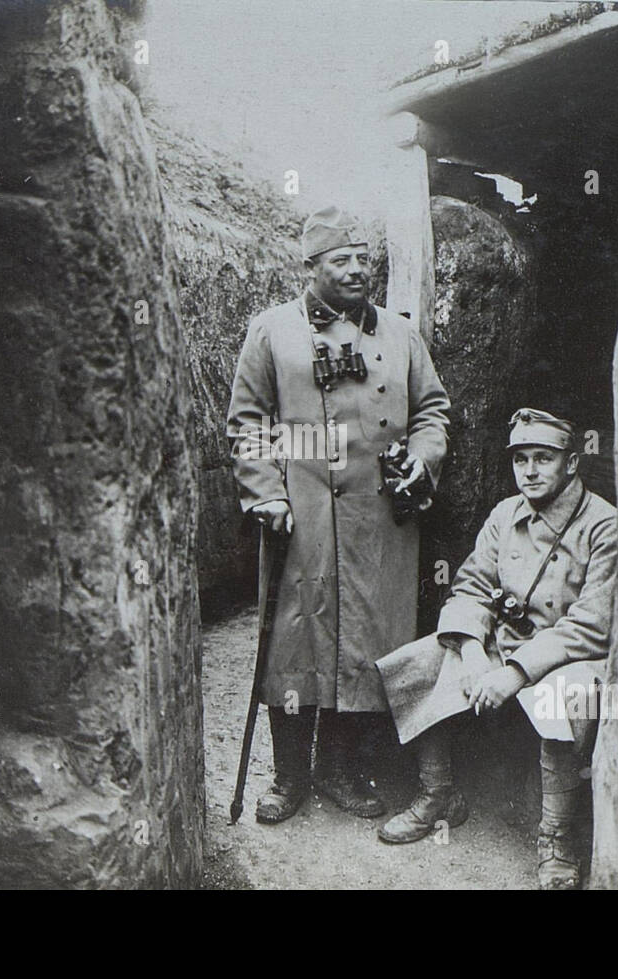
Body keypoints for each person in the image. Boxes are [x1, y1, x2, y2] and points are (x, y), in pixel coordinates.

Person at [226, 205, 451, 824]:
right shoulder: (272, 331)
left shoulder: (400, 335)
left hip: (381, 519)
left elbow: (433, 411)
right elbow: (247, 423)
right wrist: (265, 491)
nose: (357, 270)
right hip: (301, 516)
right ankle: (289, 776)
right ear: (311, 267)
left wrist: (424, 459)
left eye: (363, 258)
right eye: (341, 260)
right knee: (295, 647)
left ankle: (340, 771)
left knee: (366, 646)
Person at [375, 408, 617, 889]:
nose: (528, 470)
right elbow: (470, 587)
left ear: (571, 463)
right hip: (501, 645)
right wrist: (472, 651)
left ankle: (558, 838)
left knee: (568, 697)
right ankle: (439, 793)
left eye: (543, 458)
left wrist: (516, 672)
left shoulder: (604, 525)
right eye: (520, 459)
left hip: (569, 656)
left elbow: (594, 622)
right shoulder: (504, 515)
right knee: (421, 662)